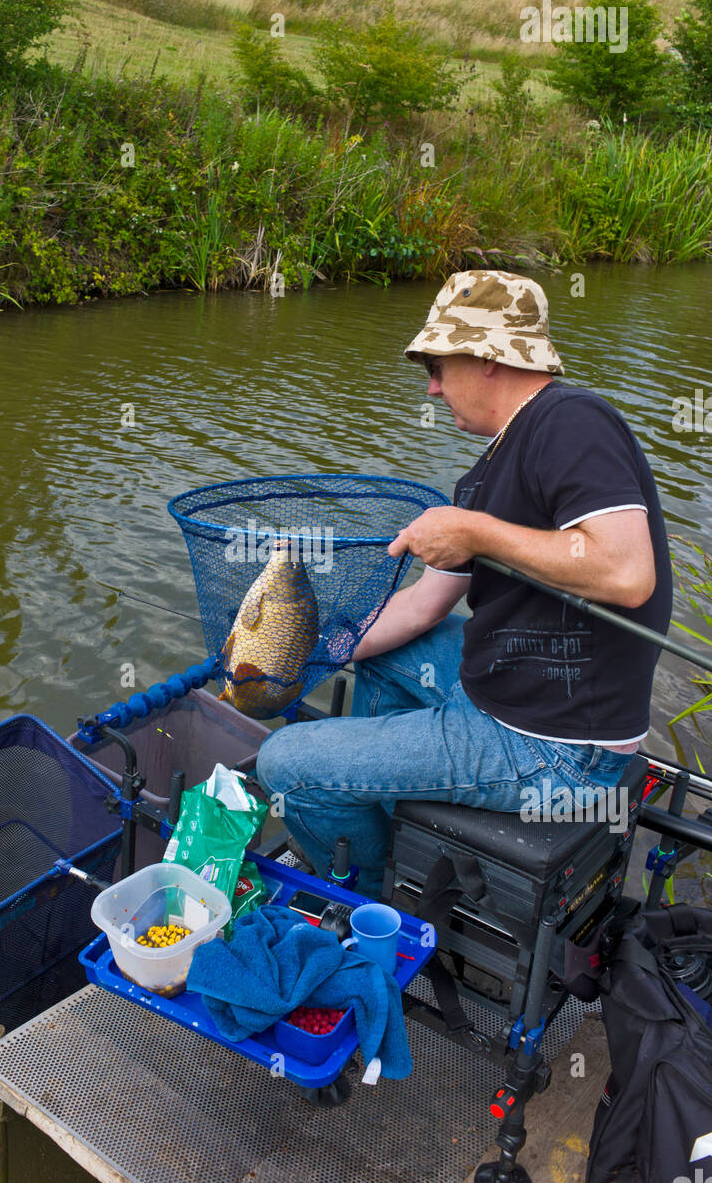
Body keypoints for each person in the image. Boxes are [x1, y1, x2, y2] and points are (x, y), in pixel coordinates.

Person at [256, 269, 673, 897]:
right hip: (512, 698)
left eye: (436, 366)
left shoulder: (570, 420)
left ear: (486, 358)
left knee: (282, 764)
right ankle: (388, 815)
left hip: (559, 753)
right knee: (393, 650)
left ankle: (379, 901)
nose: (430, 387)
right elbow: (421, 606)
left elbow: (627, 572)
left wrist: (476, 534)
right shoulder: (481, 477)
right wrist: (302, 652)